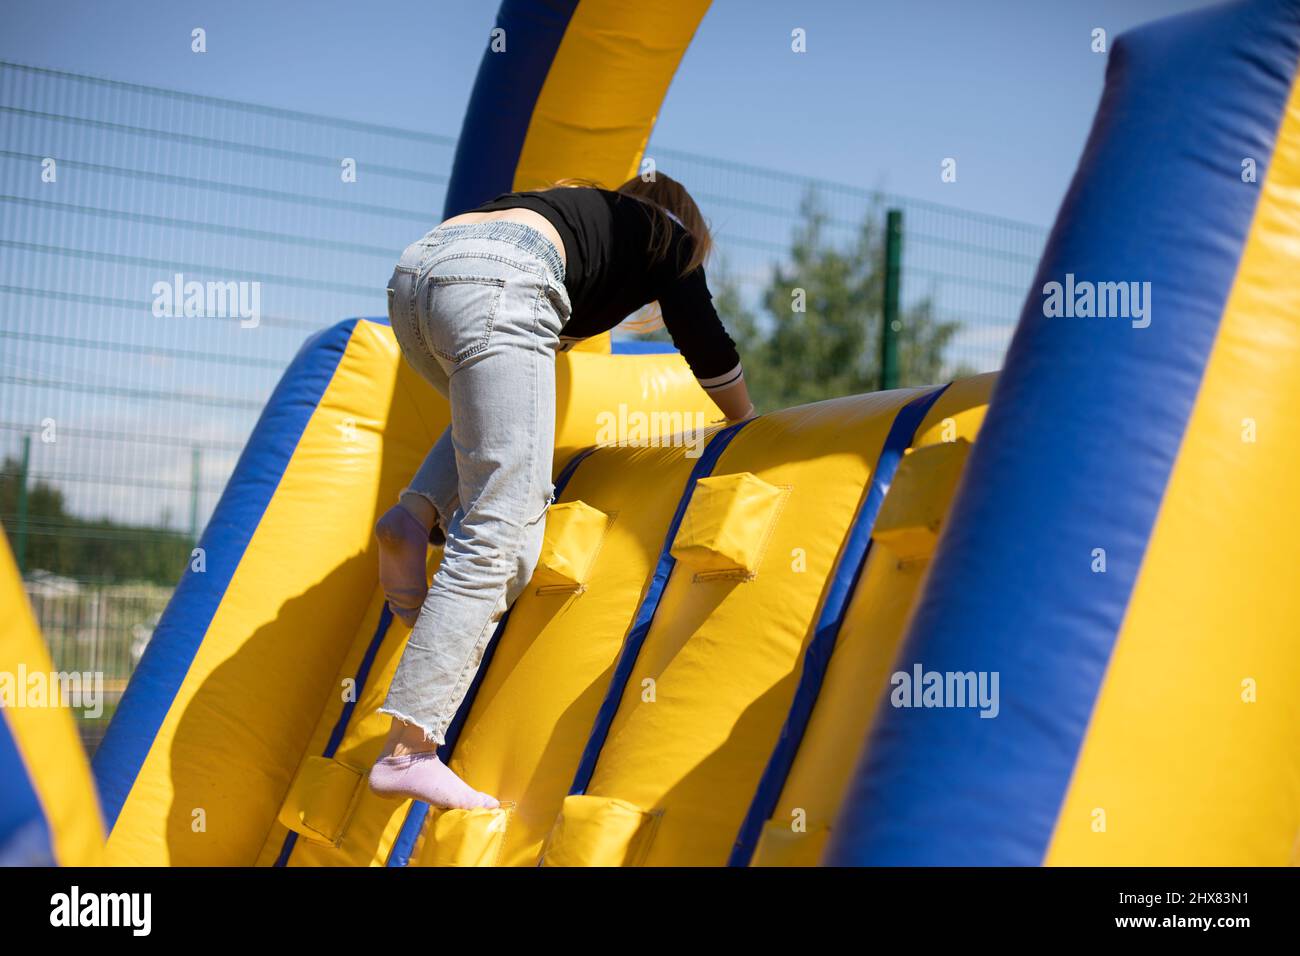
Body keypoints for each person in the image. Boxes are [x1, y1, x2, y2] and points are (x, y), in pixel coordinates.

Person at [367, 174, 755, 809]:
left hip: (416, 276)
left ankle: (414, 516)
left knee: (494, 435)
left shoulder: (581, 223)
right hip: (500, 278)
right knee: (503, 527)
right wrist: (747, 427)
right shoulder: (667, 237)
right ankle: (409, 748)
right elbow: (705, 343)